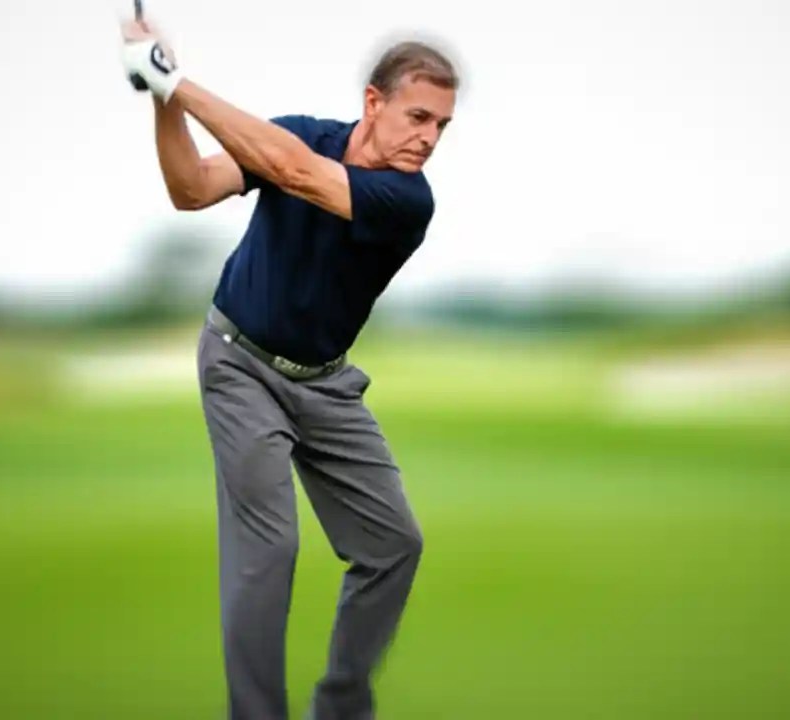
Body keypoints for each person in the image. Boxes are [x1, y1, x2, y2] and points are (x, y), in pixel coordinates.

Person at [118, 16, 458, 720]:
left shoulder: (408, 200)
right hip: (239, 365)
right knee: (268, 551)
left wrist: (177, 83)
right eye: (419, 116)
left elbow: (294, 173)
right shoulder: (302, 133)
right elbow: (190, 188)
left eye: (442, 126)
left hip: (327, 385)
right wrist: (161, 99)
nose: (429, 137)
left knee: (394, 545)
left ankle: (341, 707)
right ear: (374, 103)